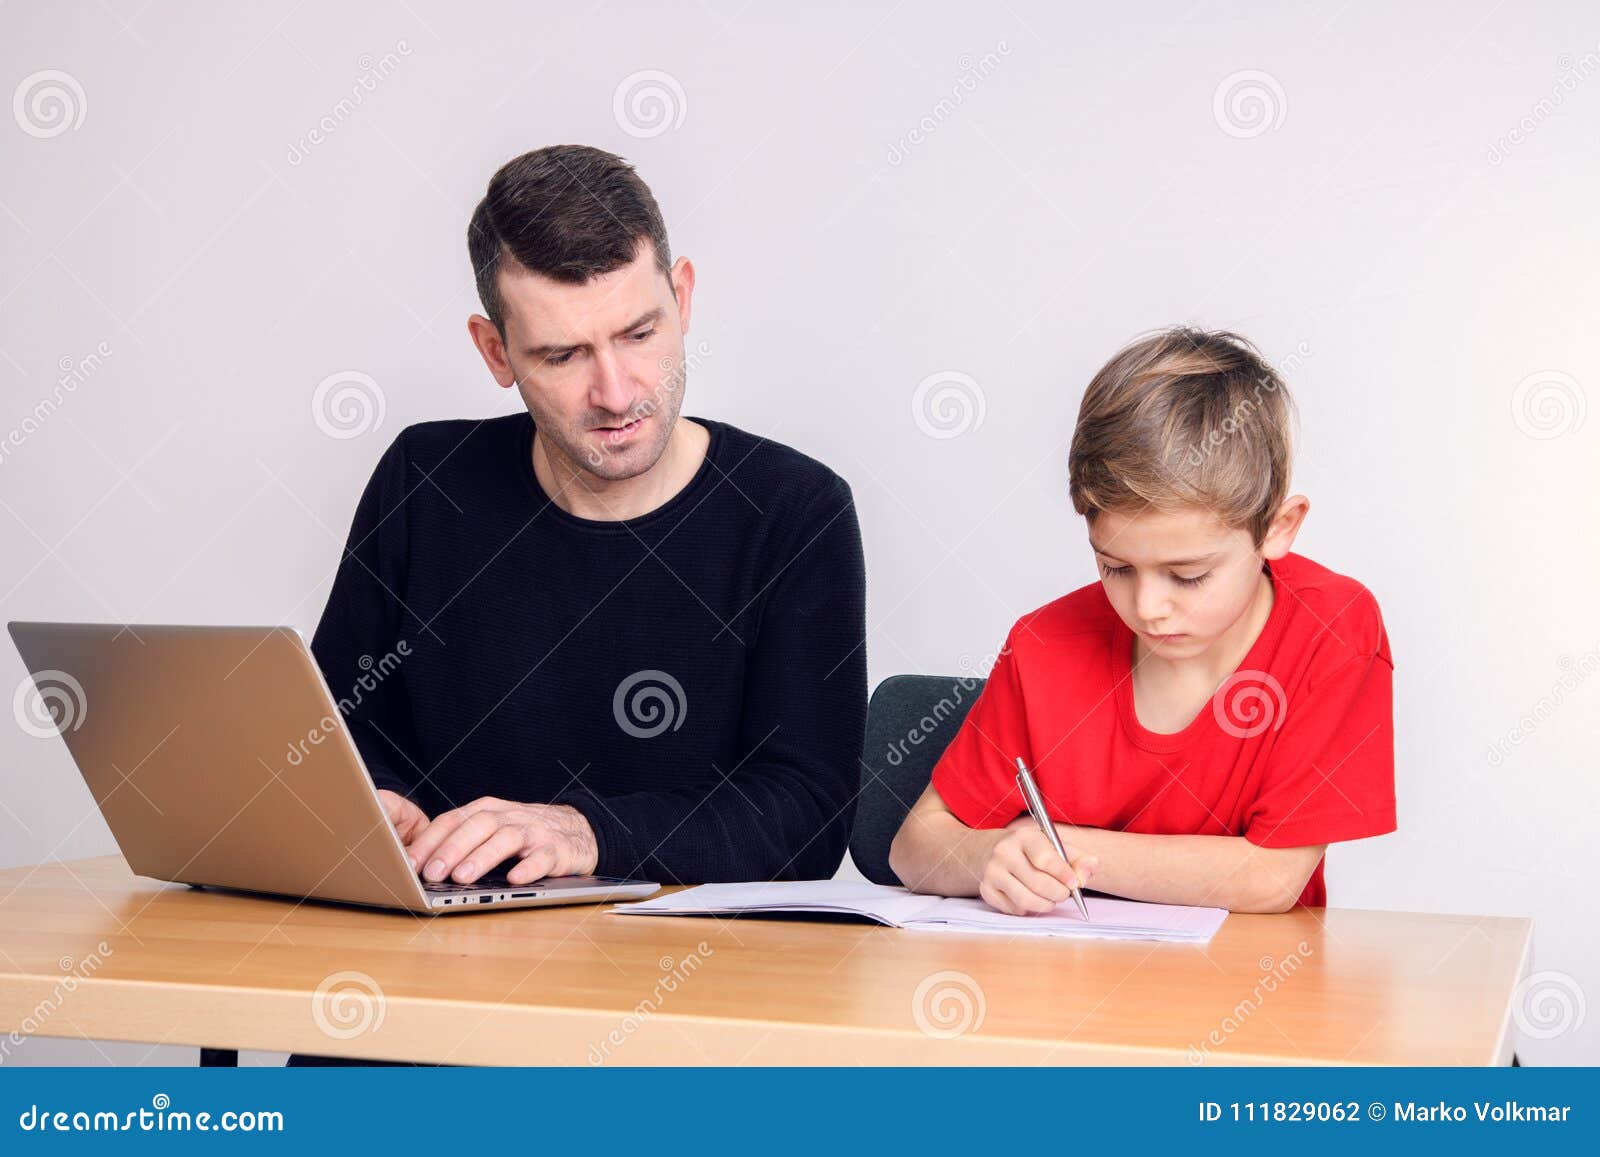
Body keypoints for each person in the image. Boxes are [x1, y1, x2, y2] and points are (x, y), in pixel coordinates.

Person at [290, 145, 867, 1065]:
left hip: (671, 1014)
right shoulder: (424, 480)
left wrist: (585, 830)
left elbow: (806, 814)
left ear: (682, 296)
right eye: (562, 353)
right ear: (495, 352)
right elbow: (326, 732)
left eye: (639, 332)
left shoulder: (794, 510)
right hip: (421, 999)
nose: (616, 393)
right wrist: (372, 805)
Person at [888, 328, 1395, 915]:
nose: (1147, 607)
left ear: (1278, 528)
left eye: (1188, 575)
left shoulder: (1333, 627)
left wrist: (1063, 847)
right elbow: (912, 846)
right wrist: (989, 858)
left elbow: (1271, 878)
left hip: (1254, 990)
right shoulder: (1045, 644)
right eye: (1116, 567)